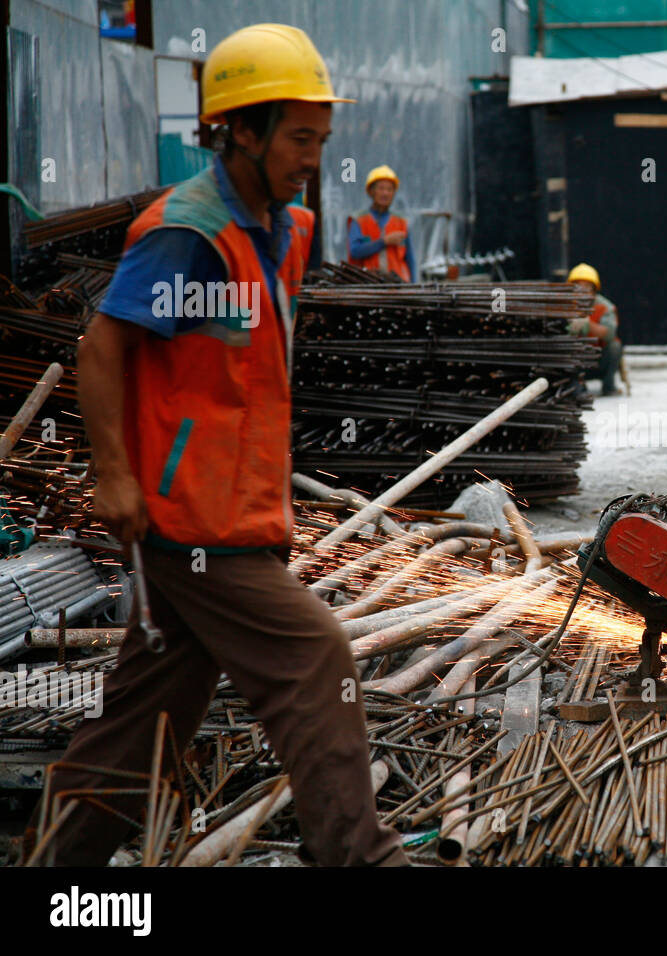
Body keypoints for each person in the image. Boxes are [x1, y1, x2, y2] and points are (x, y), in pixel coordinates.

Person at [30, 23, 407, 866]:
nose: (314, 156)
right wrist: (115, 479)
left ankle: (58, 871)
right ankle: (364, 857)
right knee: (318, 661)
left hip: (231, 520)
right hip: (190, 523)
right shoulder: (188, 234)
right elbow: (101, 347)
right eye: (300, 138)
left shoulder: (278, 231)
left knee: (142, 723)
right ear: (240, 129)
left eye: (322, 139)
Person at [347, 164, 413, 281]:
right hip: (368, 285)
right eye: (381, 188)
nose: (385, 193)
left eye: (389, 189)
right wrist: (384, 242)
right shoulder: (359, 220)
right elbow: (355, 251)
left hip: (399, 287)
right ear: (371, 191)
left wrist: (414, 287)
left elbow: (410, 259)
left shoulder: (401, 222)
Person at [567, 263, 623, 396]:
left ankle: (609, 386)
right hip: (574, 361)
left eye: (586, 287)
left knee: (615, 346)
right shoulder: (565, 306)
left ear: (594, 289)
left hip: (598, 360)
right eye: (578, 286)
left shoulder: (604, 307)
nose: (582, 291)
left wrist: (588, 325)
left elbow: (609, 334)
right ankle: (575, 386)